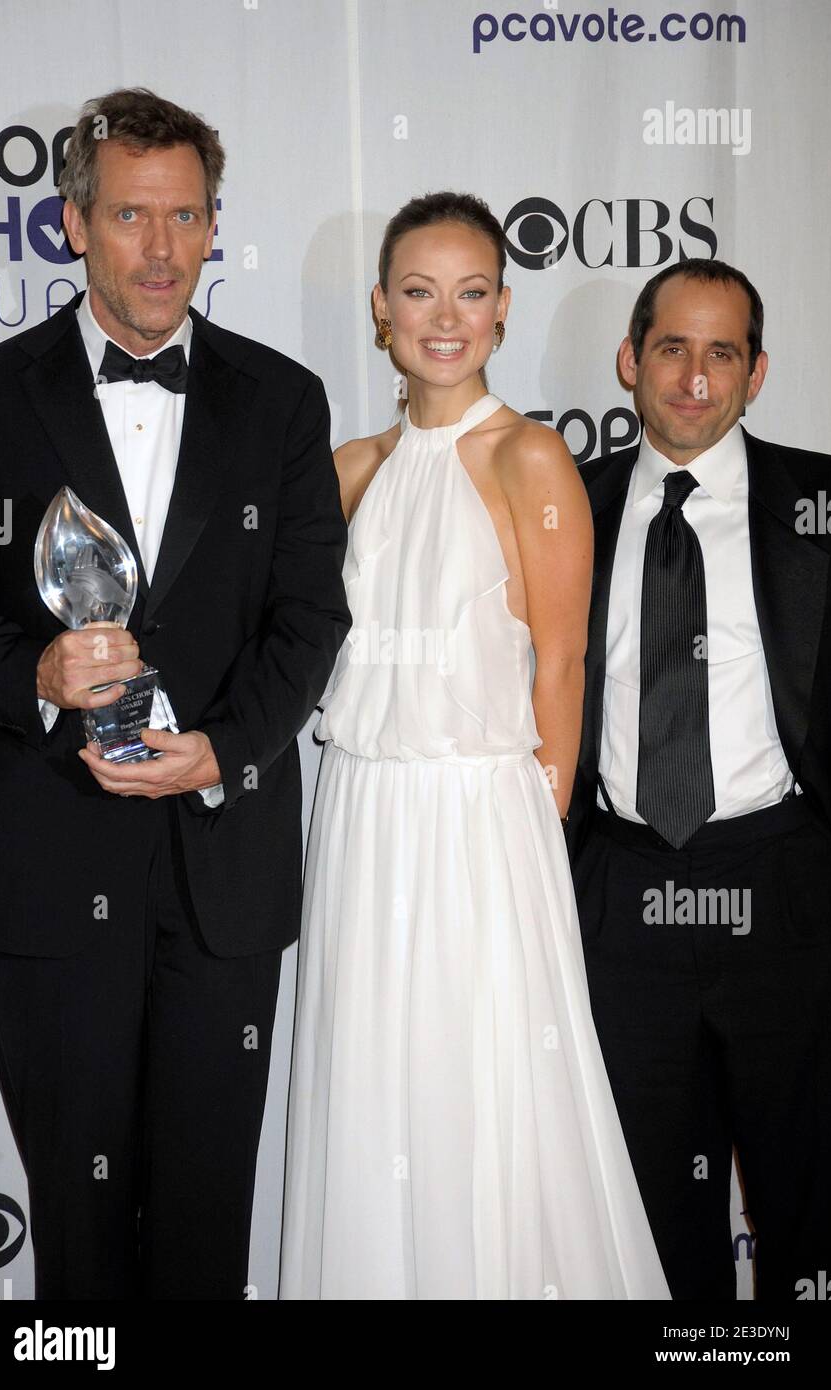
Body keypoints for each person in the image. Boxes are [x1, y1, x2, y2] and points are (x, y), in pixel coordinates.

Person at [0, 88, 350, 1299]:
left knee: (200, 1229)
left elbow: (310, 618)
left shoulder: (283, 401)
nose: (163, 248)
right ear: (73, 224)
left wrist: (225, 751)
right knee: (76, 1240)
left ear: (214, 224)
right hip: (45, 860)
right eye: (132, 216)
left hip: (219, 868)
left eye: (186, 216)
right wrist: (32, 671)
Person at [279, 192, 670, 1299]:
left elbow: (560, 665)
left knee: (480, 1086)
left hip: (480, 825)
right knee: (376, 1089)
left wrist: (524, 847)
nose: (443, 317)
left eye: (470, 292)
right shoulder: (349, 468)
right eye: (418, 290)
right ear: (379, 309)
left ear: (501, 312)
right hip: (361, 816)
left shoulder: (530, 458)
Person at [567, 258, 831, 1300]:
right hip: (625, 896)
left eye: (721, 351)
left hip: (787, 892)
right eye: (672, 347)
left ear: (757, 372)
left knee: (811, 1207)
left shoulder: (825, 505)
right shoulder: (565, 509)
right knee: (647, 1219)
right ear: (630, 360)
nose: (694, 377)